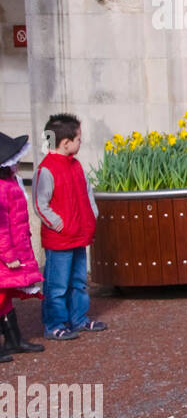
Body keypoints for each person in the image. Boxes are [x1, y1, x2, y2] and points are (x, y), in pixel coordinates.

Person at [34, 114, 107, 341]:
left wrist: (91, 216)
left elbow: (87, 194)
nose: (80, 142)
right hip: (61, 238)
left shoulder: (76, 166)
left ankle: (78, 319)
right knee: (56, 287)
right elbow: (40, 204)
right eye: (78, 138)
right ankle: (54, 324)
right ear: (65, 142)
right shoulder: (46, 169)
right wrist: (59, 224)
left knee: (78, 283)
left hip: (78, 235)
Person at [0, 132, 44, 360]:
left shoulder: (10, 184)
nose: (17, 164)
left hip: (14, 249)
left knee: (5, 298)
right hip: (4, 253)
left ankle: (14, 340)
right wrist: (7, 255)